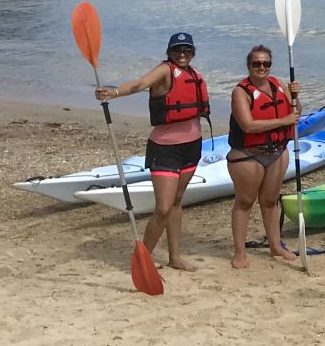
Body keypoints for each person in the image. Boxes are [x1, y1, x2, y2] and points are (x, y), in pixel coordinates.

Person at [93, 32, 210, 272]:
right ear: (169, 52)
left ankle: (174, 257)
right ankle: (142, 259)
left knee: (177, 202)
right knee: (164, 207)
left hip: (192, 146)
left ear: (192, 52)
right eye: (177, 50)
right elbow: (139, 84)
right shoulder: (165, 71)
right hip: (165, 149)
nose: (182, 53)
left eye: (187, 50)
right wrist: (113, 93)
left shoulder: (193, 75)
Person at [227, 45, 301, 269]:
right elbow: (248, 126)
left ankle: (275, 245)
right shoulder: (241, 91)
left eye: (266, 63)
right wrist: (284, 121)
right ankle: (240, 252)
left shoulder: (279, 84)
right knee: (245, 202)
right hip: (247, 156)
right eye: (256, 63)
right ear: (249, 65)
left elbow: (295, 114)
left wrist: (296, 97)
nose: (261, 67)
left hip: (277, 152)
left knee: (270, 201)